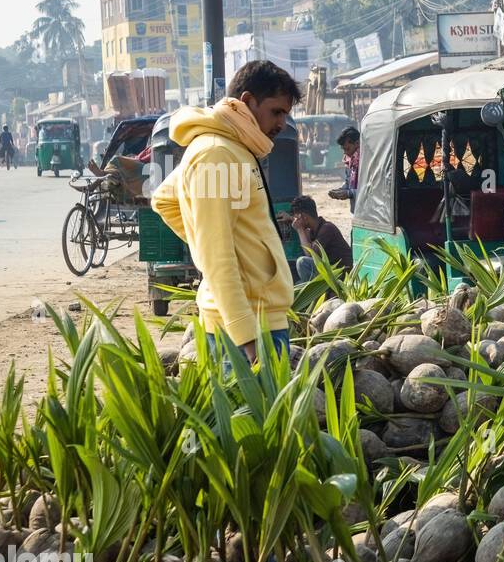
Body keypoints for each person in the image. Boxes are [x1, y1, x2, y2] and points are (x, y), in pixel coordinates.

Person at [151, 60, 302, 363]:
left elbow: (165, 199)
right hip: (246, 331)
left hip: (256, 319)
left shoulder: (231, 149)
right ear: (247, 101)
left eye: (286, 114)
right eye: (276, 111)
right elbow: (216, 253)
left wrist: (228, 247)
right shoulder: (217, 154)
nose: (282, 123)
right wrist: (245, 336)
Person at [282, 195, 353, 281]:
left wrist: (300, 229)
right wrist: (290, 218)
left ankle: (319, 293)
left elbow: (310, 254)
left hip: (340, 276)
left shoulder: (327, 229)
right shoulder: (314, 228)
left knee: (302, 263)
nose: (295, 221)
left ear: (304, 217)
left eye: (297, 218)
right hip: (331, 272)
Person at [329, 126, 359, 213]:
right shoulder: (350, 161)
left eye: (347, 148)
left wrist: (349, 193)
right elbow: (348, 182)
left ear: (357, 143)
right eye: (343, 149)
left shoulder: (366, 160)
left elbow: (369, 190)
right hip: (355, 210)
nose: (345, 153)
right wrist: (341, 190)